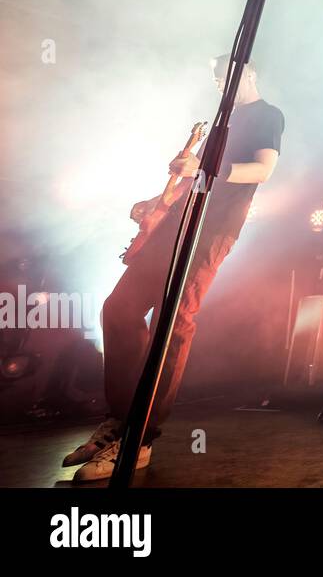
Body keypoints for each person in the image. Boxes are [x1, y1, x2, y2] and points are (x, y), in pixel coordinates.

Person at [63, 56, 285, 482]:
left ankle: (141, 437)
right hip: (176, 226)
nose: (223, 86)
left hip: (213, 230)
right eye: (218, 80)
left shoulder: (267, 115)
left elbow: (263, 170)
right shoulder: (222, 120)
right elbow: (193, 182)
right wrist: (157, 201)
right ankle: (120, 417)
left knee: (177, 320)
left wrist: (205, 168)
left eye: (229, 78)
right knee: (119, 309)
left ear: (251, 74)